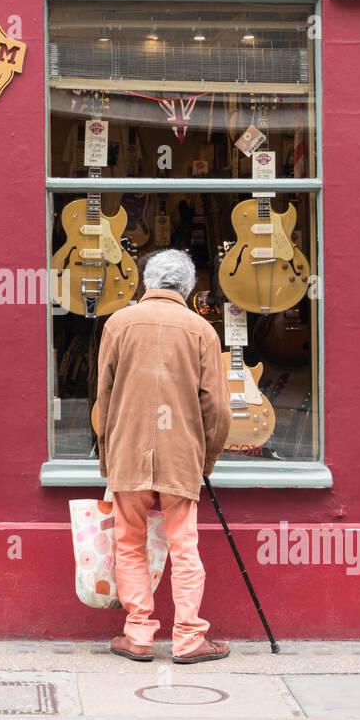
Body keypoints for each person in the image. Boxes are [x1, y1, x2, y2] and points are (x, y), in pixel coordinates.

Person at [95, 249, 232, 663]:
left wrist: (107, 456)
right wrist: (204, 460)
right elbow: (219, 410)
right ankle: (189, 636)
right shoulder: (201, 330)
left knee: (130, 544)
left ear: (146, 283)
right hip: (180, 454)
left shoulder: (118, 323)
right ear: (187, 288)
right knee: (184, 546)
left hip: (128, 451)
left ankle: (137, 632)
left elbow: (103, 397)